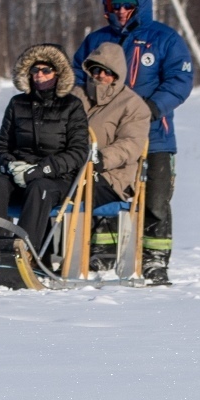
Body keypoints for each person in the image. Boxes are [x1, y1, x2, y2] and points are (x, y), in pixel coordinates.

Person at [74, 0, 194, 285]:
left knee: (154, 201)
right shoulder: (96, 41)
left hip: (155, 137)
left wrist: (150, 109)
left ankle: (155, 262)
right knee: (104, 192)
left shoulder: (165, 38)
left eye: (127, 5)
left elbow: (180, 81)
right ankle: (104, 254)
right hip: (106, 138)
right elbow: (74, 77)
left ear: (140, 5)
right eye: (115, 5)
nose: (121, 11)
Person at [0, 44, 90, 256]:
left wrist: (42, 169)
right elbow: (2, 145)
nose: (39, 75)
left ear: (58, 73)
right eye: (34, 70)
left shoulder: (72, 105)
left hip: (57, 179)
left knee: (39, 188)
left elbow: (79, 152)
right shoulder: (17, 103)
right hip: (19, 173)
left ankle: (25, 252)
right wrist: (10, 165)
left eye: (45, 70)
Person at [79, 41, 150, 273]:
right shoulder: (75, 96)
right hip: (72, 170)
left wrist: (100, 159)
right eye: (95, 70)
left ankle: (72, 260)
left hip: (111, 177)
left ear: (117, 75)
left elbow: (131, 144)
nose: (100, 76)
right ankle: (33, 254)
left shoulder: (133, 105)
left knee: (71, 191)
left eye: (107, 72)